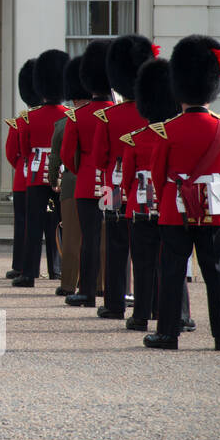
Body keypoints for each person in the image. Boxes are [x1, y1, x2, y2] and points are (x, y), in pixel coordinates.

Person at [145, 36, 220, 352]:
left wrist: (168, 200)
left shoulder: (167, 130)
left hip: (176, 209)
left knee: (173, 271)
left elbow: (159, 174)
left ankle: (168, 334)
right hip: (214, 207)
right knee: (216, 271)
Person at [121, 57, 191, 332]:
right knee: (174, 262)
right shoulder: (176, 135)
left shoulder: (136, 138)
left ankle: (141, 314)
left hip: (140, 205)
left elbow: (127, 179)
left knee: (143, 261)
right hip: (172, 206)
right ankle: (180, 314)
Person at [93, 34, 158, 319]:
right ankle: (154, 303)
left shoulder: (109, 116)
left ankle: (115, 303)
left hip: (114, 186)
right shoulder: (155, 116)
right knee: (151, 249)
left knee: (116, 245)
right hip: (151, 186)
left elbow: (98, 158)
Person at [61, 39, 114, 308]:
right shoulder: (119, 114)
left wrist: (81, 170)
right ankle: (115, 290)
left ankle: (87, 292)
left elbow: (67, 155)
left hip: (85, 182)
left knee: (89, 239)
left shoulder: (78, 116)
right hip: (115, 183)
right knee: (115, 239)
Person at [12, 48, 68, 288]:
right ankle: (61, 270)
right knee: (60, 223)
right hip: (62, 175)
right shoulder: (69, 115)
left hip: (35, 173)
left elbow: (24, 150)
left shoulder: (28, 117)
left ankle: (28, 273)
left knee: (33, 225)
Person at [48, 56, 87, 296]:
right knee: (101, 238)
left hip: (73, 183)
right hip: (105, 185)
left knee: (72, 237)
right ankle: (100, 283)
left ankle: (69, 283)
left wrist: (54, 181)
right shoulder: (106, 117)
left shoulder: (65, 123)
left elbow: (57, 157)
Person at [4, 59, 39, 279]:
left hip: (24, 177)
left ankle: (21, 265)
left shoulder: (23, 119)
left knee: (24, 223)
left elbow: (11, 152)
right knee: (55, 223)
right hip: (57, 178)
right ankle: (57, 267)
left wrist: (21, 164)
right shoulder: (65, 115)